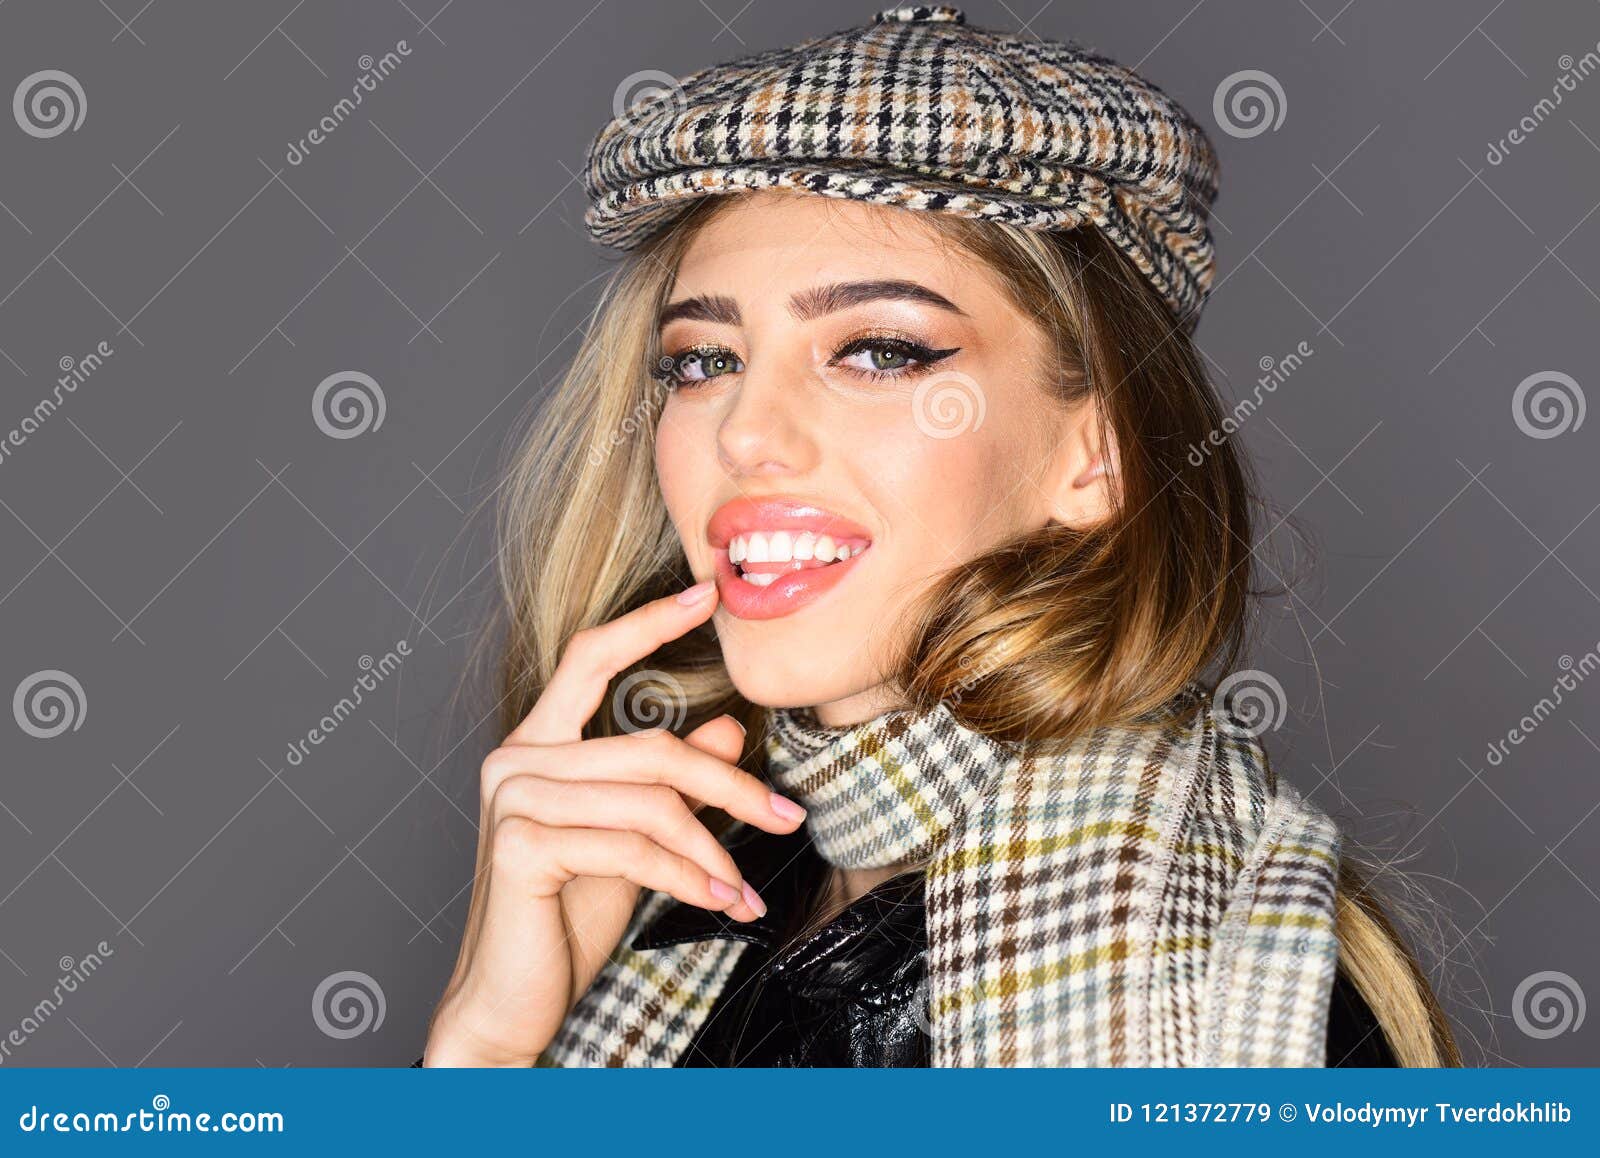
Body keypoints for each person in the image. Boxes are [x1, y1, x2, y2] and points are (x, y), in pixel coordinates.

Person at [418, 5, 1459, 1068]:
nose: (745, 433)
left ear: (1092, 458)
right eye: (701, 361)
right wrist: (484, 1049)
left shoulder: (1204, 988)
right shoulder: (694, 898)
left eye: (876, 351)